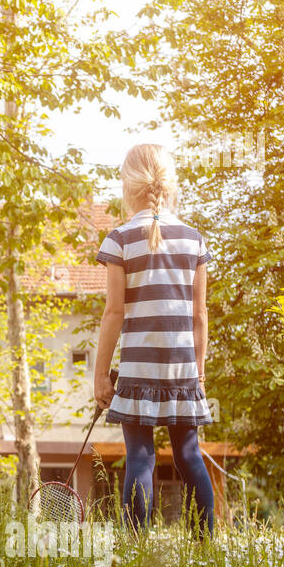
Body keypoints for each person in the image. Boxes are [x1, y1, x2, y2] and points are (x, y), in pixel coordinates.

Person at [94, 143, 215, 538]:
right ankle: (205, 546)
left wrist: (100, 377)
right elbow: (199, 315)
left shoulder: (119, 239)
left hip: (138, 366)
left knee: (141, 459)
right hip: (182, 367)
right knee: (188, 455)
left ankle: (135, 548)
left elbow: (114, 313)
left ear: (128, 184)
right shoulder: (193, 239)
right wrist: (199, 371)